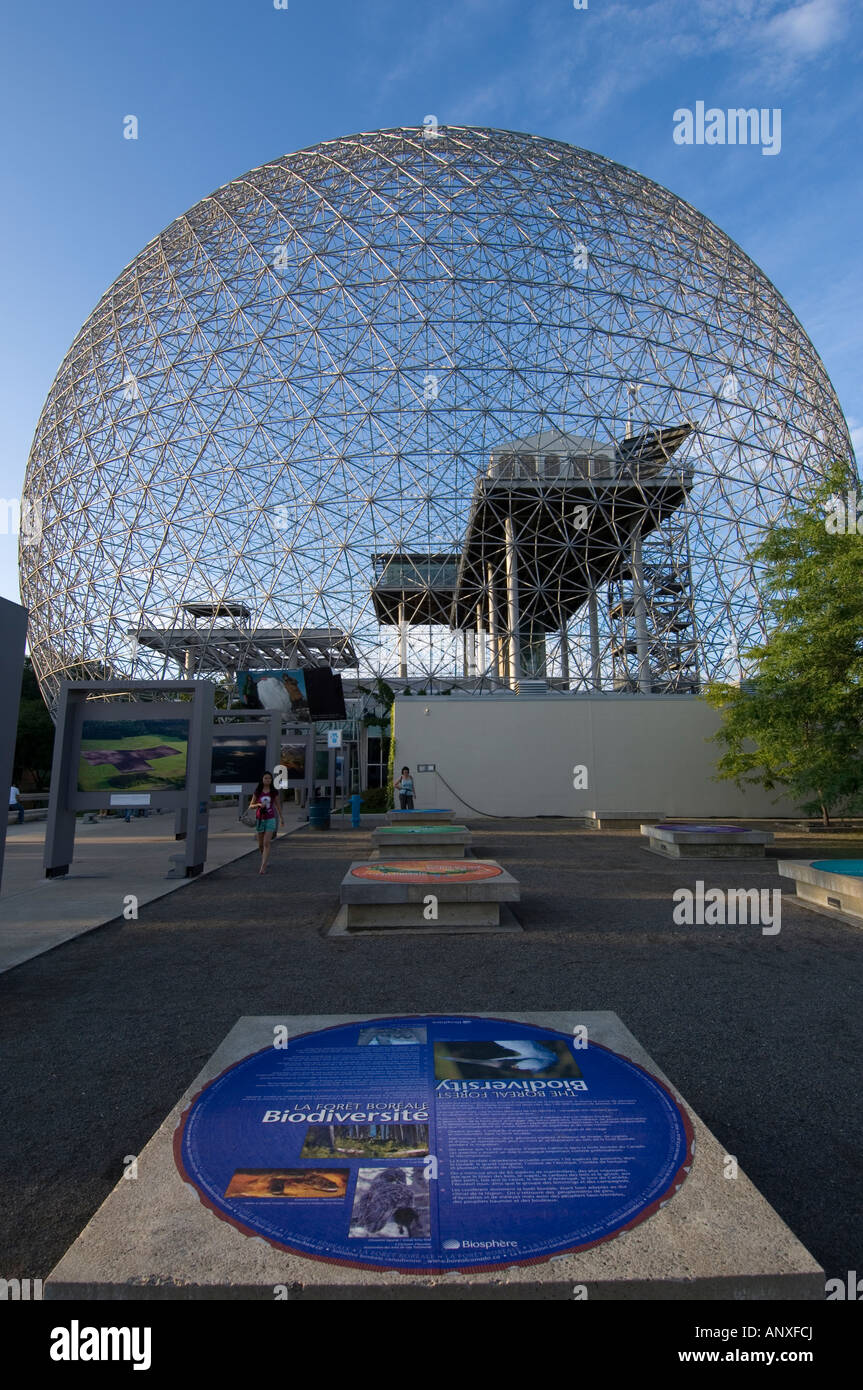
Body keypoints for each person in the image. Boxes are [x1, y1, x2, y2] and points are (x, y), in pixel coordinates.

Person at [249, 771, 284, 875]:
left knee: (266, 843)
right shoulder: (258, 791)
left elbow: (278, 805)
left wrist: (282, 818)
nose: (267, 780)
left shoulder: (274, 792)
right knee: (260, 845)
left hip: (270, 819)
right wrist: (259, 805)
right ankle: (264, 856)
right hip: (260, 819)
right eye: (265, 778)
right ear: (262, 779)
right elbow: (251, 805)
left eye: (269, 778)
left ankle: (263, 866)